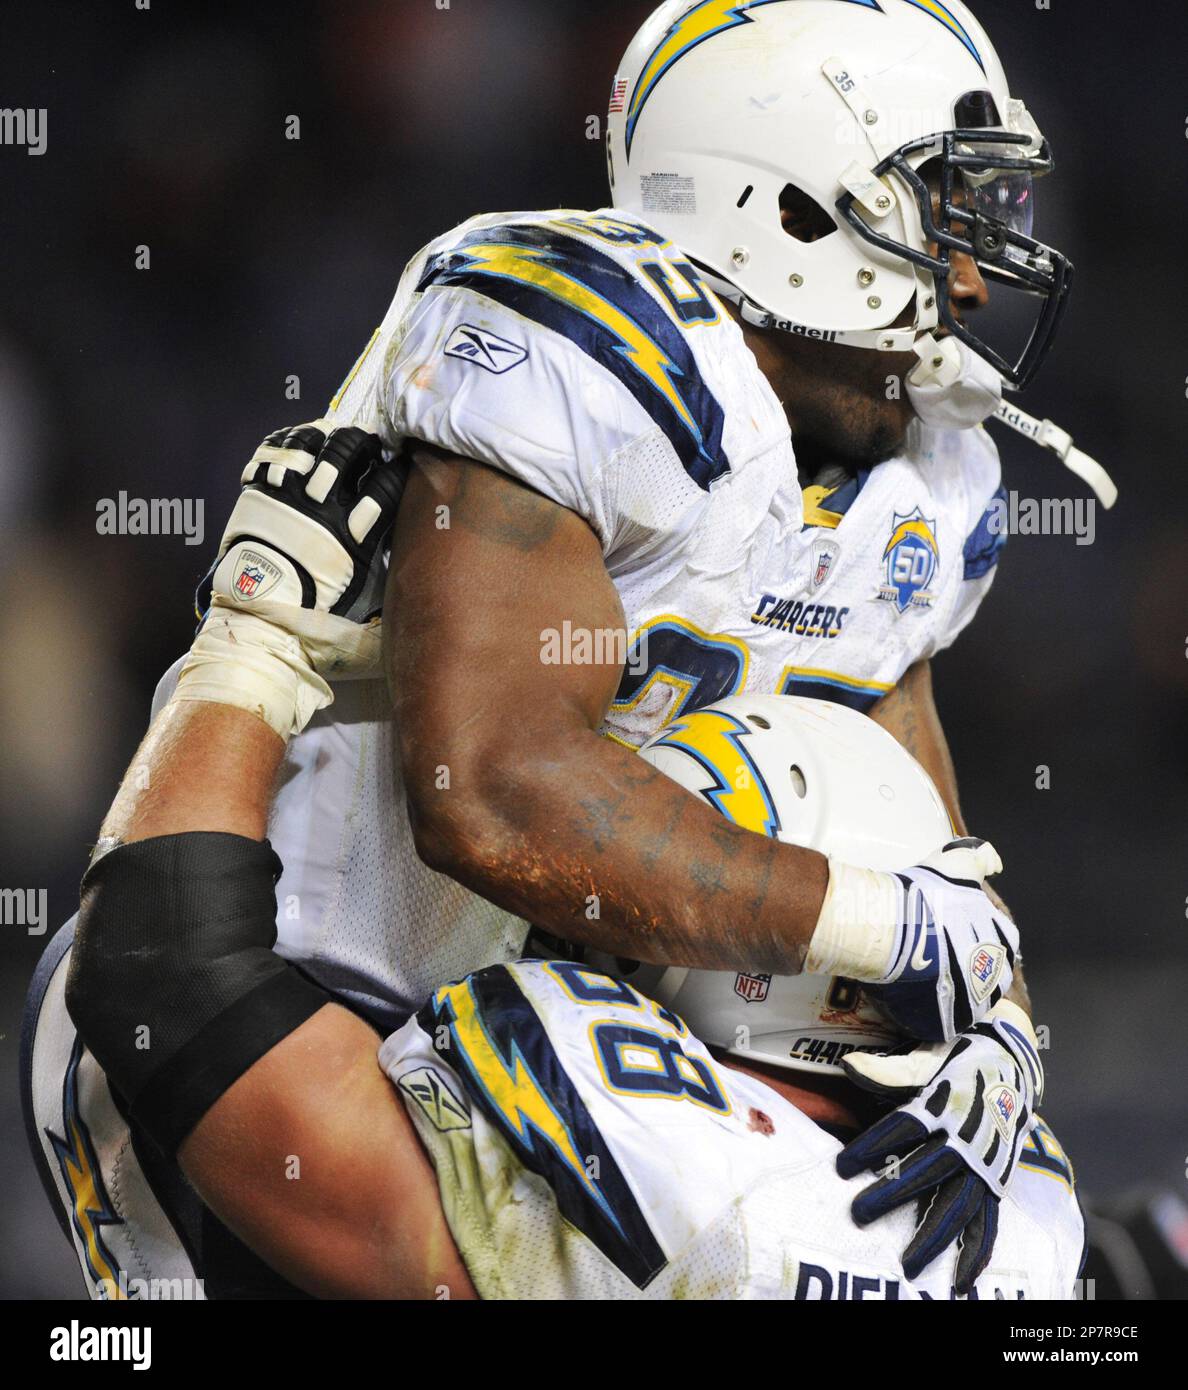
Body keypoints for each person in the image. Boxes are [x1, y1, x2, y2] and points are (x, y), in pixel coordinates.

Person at [25, 0, 1088, 1298]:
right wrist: (932, 956)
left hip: (535, 1052)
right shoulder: (601, 350)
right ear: (789, 208)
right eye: (942, 209)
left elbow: (927, 870)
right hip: (311, 998)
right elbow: (491, 795)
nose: (975, 275)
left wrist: (983, 1008)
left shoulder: (925, 476)